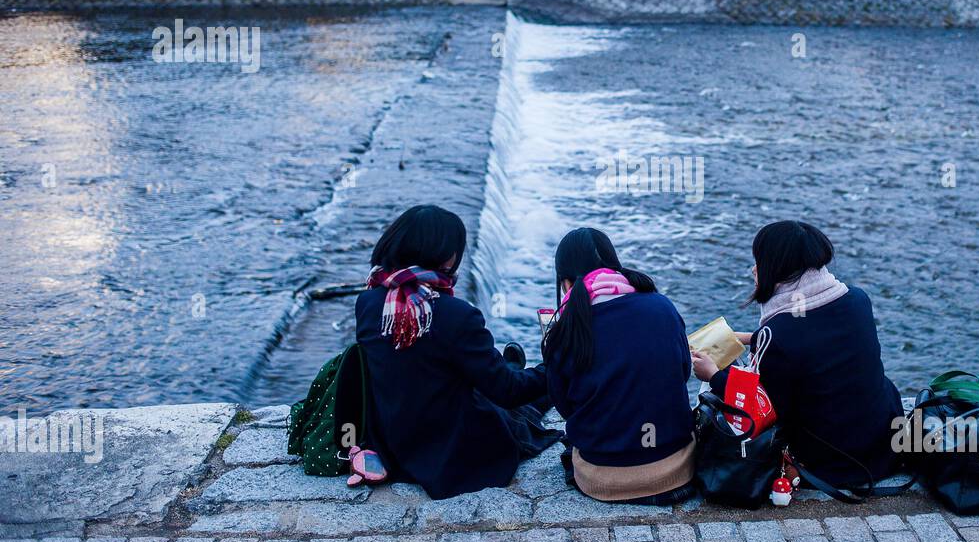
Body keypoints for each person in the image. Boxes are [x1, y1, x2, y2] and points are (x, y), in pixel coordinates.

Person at [355, 204, 559, 500]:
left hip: (395, 445)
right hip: (449, 454)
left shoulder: (369, 302)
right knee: (523, 398)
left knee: (478, 376)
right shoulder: (456, 315)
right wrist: (556, 365)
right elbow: (507, 393)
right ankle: (515, 368)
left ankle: (504, 366)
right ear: (444, 257)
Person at [691, 220, 904, 490]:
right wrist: (749, 338)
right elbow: (817, 343)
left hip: (830, 465)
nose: (755, 269)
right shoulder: (857, 300)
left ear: (774, 267)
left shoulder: (778, 333)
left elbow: (763, 407)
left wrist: (714, 374)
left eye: (759, 261)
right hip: (883, 450)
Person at [543, 228, 696, 505]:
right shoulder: (662, 307)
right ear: (615, 266)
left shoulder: (564, 331)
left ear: (565, 283)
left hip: (603, 478)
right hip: (676, 468)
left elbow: (566, 408)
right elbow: (682, 372)